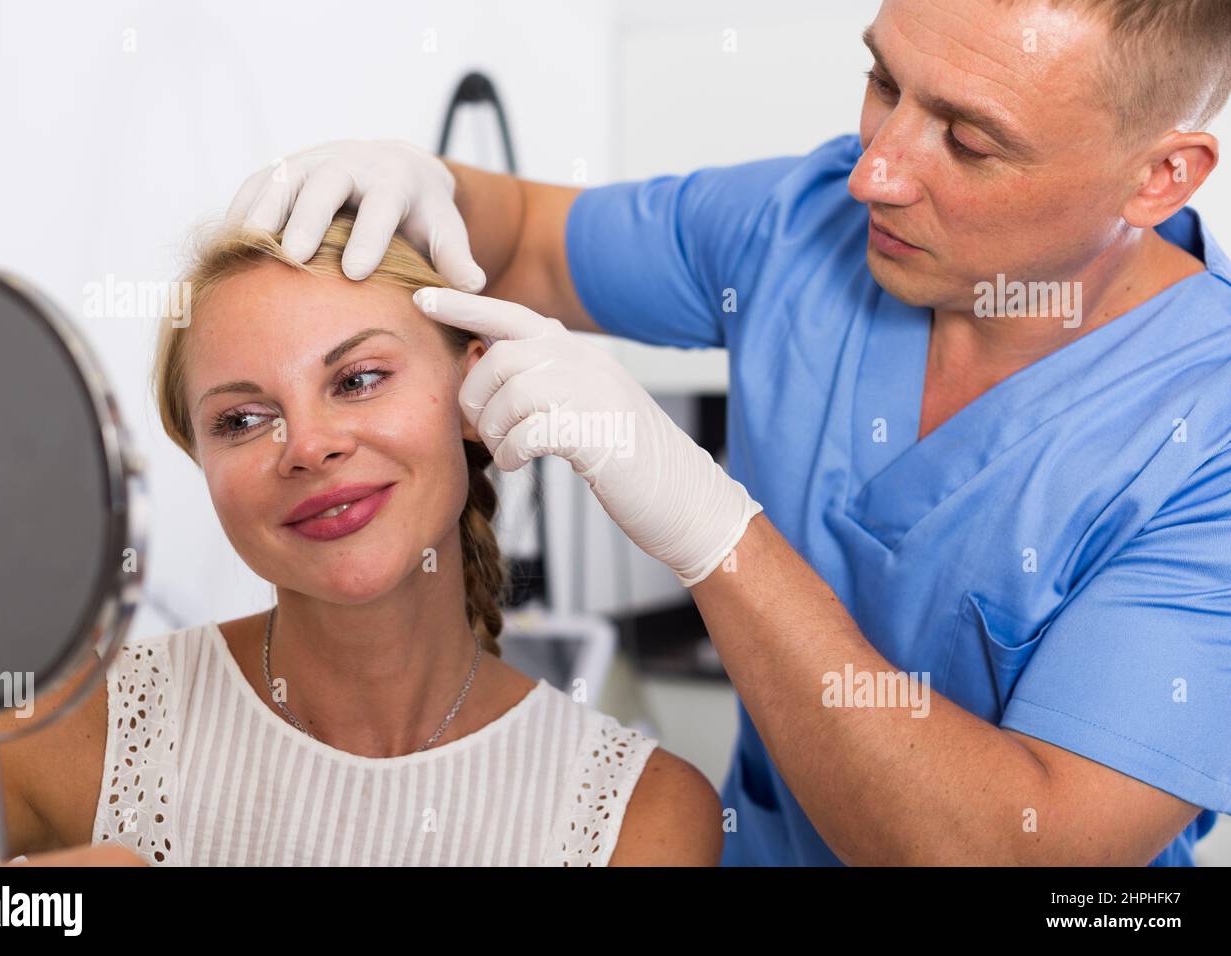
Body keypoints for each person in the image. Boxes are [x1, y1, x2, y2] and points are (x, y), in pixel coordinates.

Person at [229, 0, 1231, 865]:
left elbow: (1013, 846)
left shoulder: (1206, 440)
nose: (871, 174)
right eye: (883, 80)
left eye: (967, 142)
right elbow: (527, 240)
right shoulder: (796, 225)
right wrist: (419, 181)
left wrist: (713, 530)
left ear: (1159, 178)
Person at [0, 214, 723, 868]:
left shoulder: (636, 818)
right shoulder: (82, 729)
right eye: (242, 420)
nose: (306, 445)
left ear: (476, 393)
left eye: (359, 379)